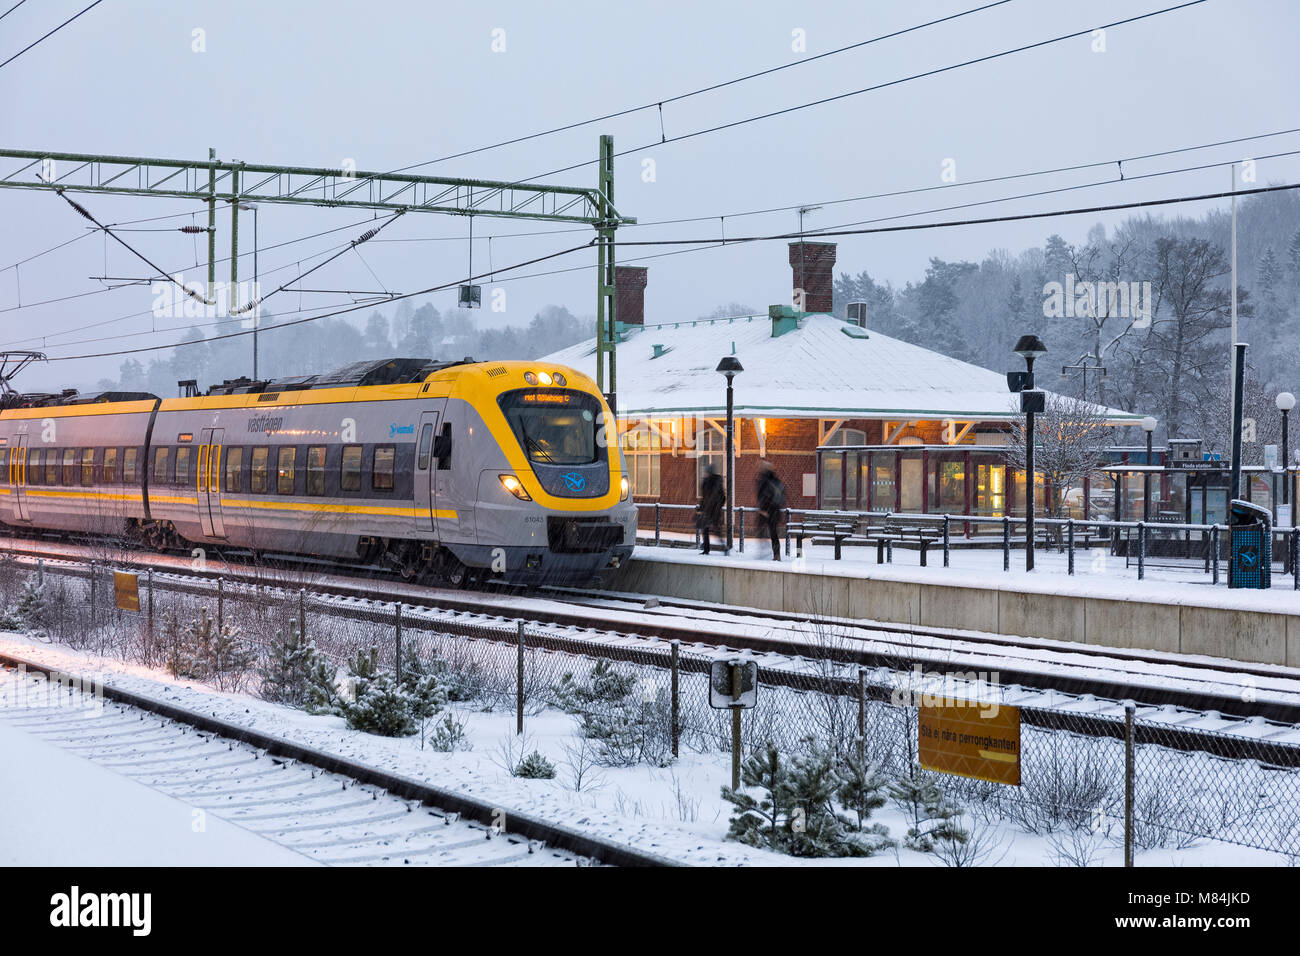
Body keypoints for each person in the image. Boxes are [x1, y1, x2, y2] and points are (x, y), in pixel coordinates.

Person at [755, 460, 785, 560]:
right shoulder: (776, 480)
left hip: (766, 511)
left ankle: (764, 550)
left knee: (760, 530)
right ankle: (776, 554)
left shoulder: (764, 480)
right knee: (773, 533)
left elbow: (763, 496)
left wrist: (764, 509)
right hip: (775, 511)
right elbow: (782, 496)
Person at [698, 464, 725, 555]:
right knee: (714, 530)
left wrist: (702, 507)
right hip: (713, 510)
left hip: (710, 510)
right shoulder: (716, 481)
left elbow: (704, 497)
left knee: (708, 529)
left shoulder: (708, 482)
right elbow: (722, 497)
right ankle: (722, 547)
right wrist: (718, 506)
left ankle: (708, 549)